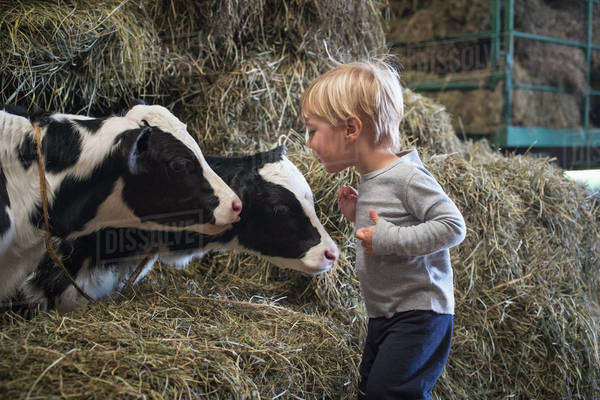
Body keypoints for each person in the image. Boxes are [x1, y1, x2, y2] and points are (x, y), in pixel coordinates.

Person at [301, 60, 466, 399]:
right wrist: (357, 214)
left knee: (386, 393)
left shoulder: (406, 176)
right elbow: (388, 224)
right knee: (376, 392)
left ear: (351, 129)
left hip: (420, 313)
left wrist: (389, 238)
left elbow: (452, 226)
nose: (308, 143)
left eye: (312, 130)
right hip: (385, 314)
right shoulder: (373, 179)